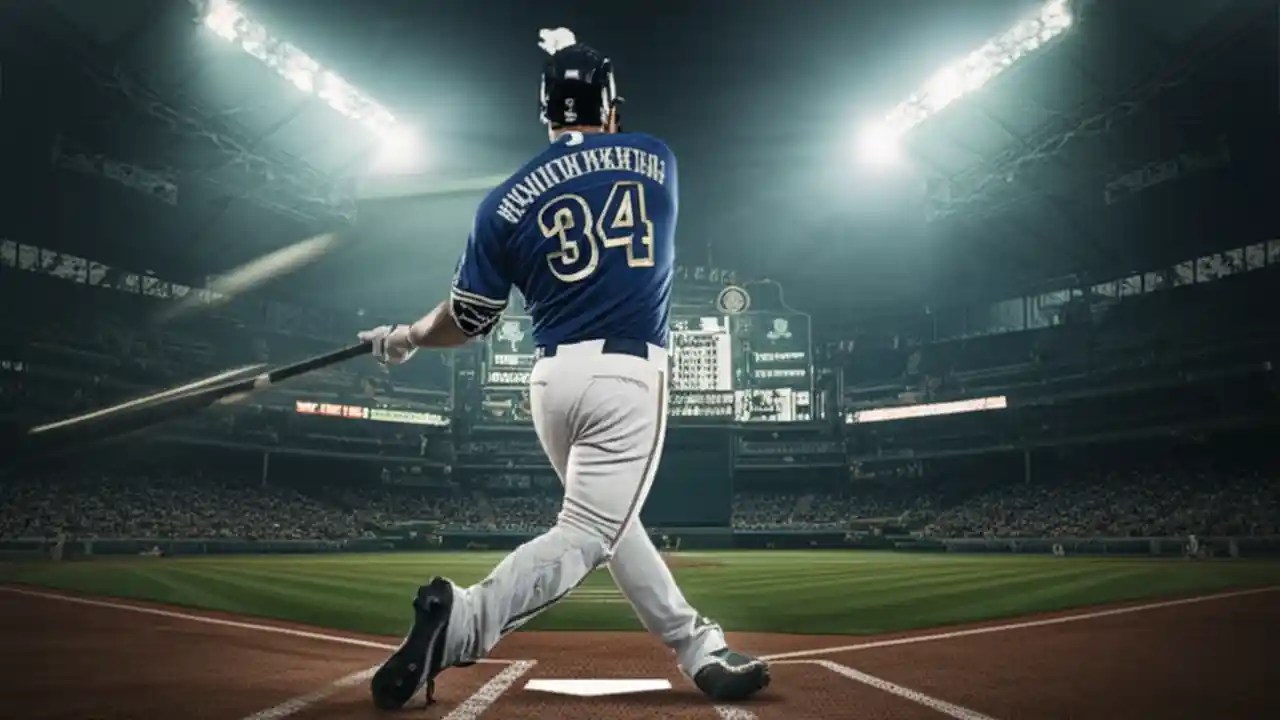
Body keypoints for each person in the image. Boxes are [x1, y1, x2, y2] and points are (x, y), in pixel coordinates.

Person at [356, 27, 770, 710]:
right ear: (610, 108)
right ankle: (460, 620)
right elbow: (602, 151)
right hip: (627, 379)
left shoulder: (500, 202)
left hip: (550, 386)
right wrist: (575, 59)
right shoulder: (654, 158)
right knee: (585, 535)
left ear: (544, 114)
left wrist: (405, 336)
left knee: (612, 526)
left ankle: (701, 649)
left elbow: (468, 319)